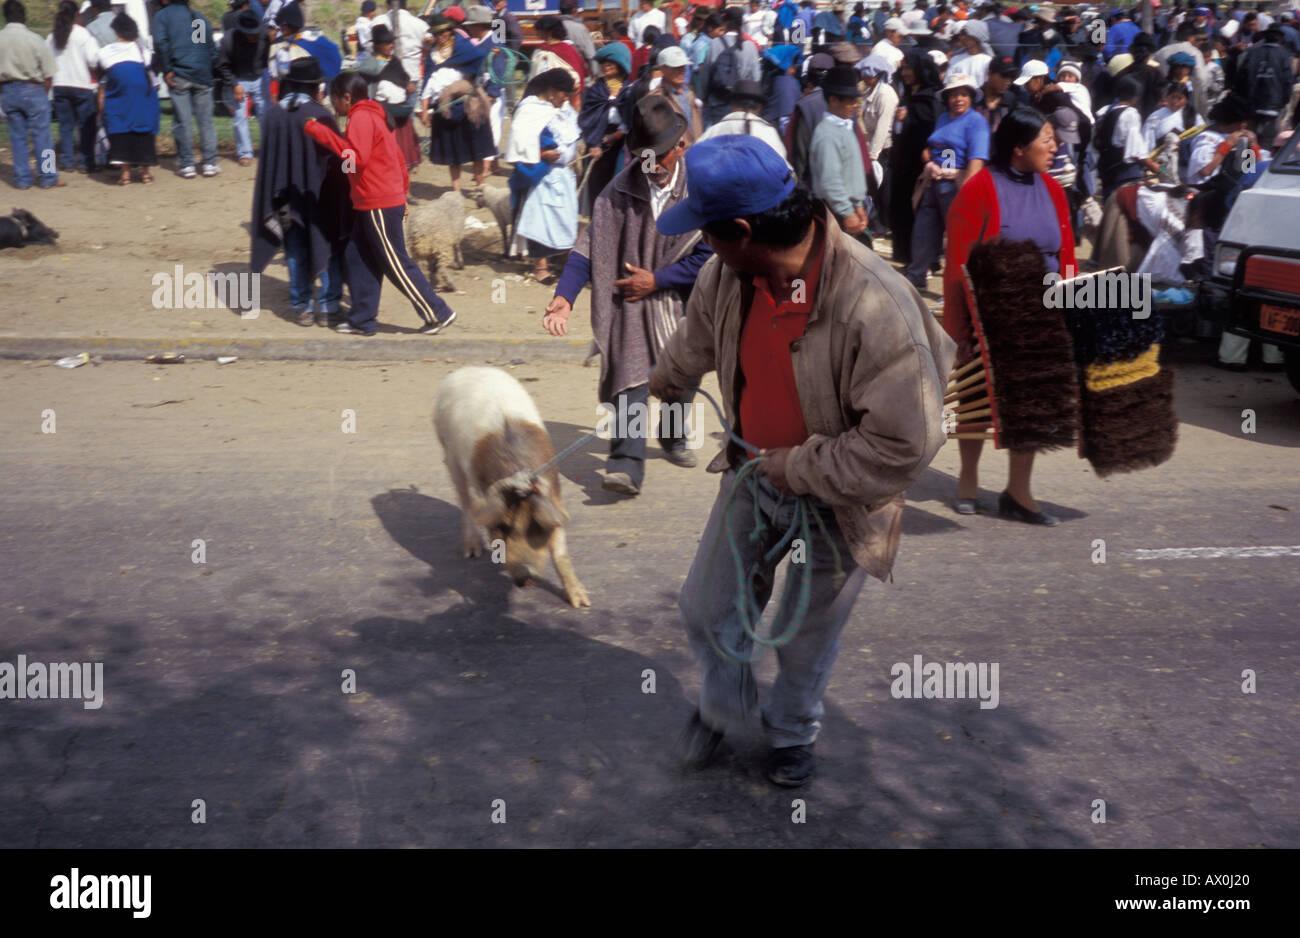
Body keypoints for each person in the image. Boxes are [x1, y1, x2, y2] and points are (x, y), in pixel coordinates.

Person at [649, 134, 954, 787]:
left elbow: (905, 443)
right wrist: (669, 377)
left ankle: (791, 731)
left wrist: (802, 467)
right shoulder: (726, 273)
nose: (700, 244)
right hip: (751, 470)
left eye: (705, 229)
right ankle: (725, 707)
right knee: (706, 606)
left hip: (845, 498)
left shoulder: (878, 302)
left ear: (737, 228)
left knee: (806, 635)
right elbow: (697, 336)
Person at [544, 95, 714, 496]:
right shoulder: (619, 190)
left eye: (660, 156)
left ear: (681, 146)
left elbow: (710, 255)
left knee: (680, 378)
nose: (652, 166)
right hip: (630, 302)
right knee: (630, 380)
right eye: (643, 157)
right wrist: (564, 297)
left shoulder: (701, 189)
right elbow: (589, 247)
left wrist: (658, 279)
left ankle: (672, 437)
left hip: (682, 299)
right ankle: (625, 463)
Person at [942, 107, 1076, 524]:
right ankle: (967, 477)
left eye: (1054, 139)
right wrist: (958, 331)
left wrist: (1070, 310)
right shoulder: (979, 189)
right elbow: (957, 265)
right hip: (991, 317)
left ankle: (1019, 492)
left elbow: (1066, 254)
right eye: (1047, 140)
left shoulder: (1053, 190)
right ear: (1019, 148)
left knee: (1032, 404)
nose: (1056, 147)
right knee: (975, 396)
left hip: (1042, 318)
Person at [303, 71, 457, 336]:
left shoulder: (360, 117)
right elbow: (397, 159)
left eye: (335, 99)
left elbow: (355, 159)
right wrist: (402, 195)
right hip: (378, 200)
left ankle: (438, 312)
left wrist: (321, 133)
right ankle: (362, 320)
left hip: (377, 202)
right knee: (358, 256)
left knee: (395, 262)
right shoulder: (375, 114)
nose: (333, 105)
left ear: (347, 98)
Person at [251, 56, 350, 326]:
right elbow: (336, 157)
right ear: (315, 86)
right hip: (319, 195)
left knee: (294, 250)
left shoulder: (272, 115)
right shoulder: (322, 115)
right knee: (326, 246)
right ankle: (330, 306)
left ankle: (302, 306)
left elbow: (270, 161)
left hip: (283, 198)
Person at [903, 71, 988, 291]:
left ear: (971, 97)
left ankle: (963, 284)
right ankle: (916, 275)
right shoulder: (942, 118)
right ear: (946, 98)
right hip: (933, 181)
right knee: (923, 230)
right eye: (953, 95)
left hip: (957, 185)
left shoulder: (976, 122)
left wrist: (966, 194)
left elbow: (976, 160)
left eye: (963, 94)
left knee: (959, 237)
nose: (958, 99)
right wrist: (929, 158)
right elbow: (933, 147)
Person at [504, 68, 580, 284]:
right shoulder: (531, 109)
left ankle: (564, 262)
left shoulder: (562, 110)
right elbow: (521, 144)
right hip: (538, 176)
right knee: (539, 219)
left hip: (561, 175)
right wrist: (543, 153)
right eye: (564, 94)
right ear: (553, 90)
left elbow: (570, 136)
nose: (565, 99)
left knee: (564, 219)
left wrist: (564, 153)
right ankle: (540, 267)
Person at [152, 0, 218, 178]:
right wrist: (204, 67)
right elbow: (207, 48)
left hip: (179, 73)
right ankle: (209, 163)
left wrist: (167, 69)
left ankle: (187, 164)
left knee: (183, 121)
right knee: (206, 121)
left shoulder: (162, 16)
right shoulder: (198, 18)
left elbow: (161, 44)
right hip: (202, 75)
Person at [0, 0, 61, 189]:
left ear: (5, 17)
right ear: (25, 17)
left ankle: (22, 178)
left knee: (17, 137)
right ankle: (48, 176)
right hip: (34, 89)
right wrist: (43, 92)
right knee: (43, 136)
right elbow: (48, 73)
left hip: (8, 89)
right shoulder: (35, 39)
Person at [890, 48, 942, 265]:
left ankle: (922, 260)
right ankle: (910, 257)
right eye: (903, 69)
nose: (906, 73)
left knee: (922, 213)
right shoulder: (911, 94)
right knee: (903, 210)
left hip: (921, 165)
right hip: (904, 163)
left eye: (909, 68)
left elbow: (931, 127)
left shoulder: (931, 97)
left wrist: (908, 117)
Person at [94, 12, 159, 186]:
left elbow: (102, 78)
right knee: (144, 132)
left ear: (117, 32)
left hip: (119, 99)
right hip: (144, 100)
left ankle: (125, 175)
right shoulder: (144, 52)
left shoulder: (106, 52)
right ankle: (145, 174)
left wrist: (101, 104)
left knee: (121, 132)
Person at [810, 65, 869, 239]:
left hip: (847, 207)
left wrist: (858, 206)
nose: (855, 105)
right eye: (850, 100)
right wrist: (847, 213)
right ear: (833, 100)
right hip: (835, 211)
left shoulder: (843, 128)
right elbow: (830, 180)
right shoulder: (827, 134)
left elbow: (851, 173)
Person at [46, 1, 99, 175]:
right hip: (81, 84)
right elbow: (93, 60)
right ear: (77, 14)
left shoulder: (52, 36)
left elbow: (47, 62)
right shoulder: (83, 34)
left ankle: (68, 162)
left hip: (60, 85)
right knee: (86, 126)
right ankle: (86, 162)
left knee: (65, 126)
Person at [579, 42, 632, 215]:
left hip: (622, 147)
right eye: (604, 62)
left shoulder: (629, 91)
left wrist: (617, 135)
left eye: (612, 62)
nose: (606, 66)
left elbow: (632, 119)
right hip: (599, 147)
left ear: (622, 64)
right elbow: (588, 120)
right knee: (598, 187)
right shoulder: (595, 91)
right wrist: (594, 144)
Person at [217, 10, 269, 167]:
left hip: (260, 77)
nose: (255, 36)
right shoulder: (229, 40)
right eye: (251, 34)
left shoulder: (265, 37)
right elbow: (222, 66)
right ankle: (245, 152)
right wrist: (235, 84)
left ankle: (269, 149)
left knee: (265, 113)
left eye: (257, 33)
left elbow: (268, 60)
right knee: (240, 116)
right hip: (239, 78)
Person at [697, 78, 788, 159]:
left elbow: (696, 155)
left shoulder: (714, 130)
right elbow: (783, 165)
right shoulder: (768, 132)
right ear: (759, 108)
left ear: (731, 104)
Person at [702, 5, 761, 125]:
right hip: (741, 105)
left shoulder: (715, 43)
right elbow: (756, 78)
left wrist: (703, 96)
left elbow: (705, 74)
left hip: (717, 102)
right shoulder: (750, 47)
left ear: (725, 22)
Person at [857, 53, 896, 232]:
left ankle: (885, 224)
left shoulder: (886, 94)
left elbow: (882, 127)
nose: (865, 78)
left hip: (882, 149)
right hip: (871, 147)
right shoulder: (870, 92)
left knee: (883, 188)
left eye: (868, 75)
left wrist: (873, 155)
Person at [1093, 75, 1147, 202]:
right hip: (1125, 175)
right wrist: (1160, 169)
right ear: (1136, 98)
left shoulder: (1104, 112)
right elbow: (1135, 152)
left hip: (1107, 173)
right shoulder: (1131, 115)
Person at [784, 51, 833, 186]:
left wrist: (798, 184)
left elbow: (799, 151)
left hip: (814, 184)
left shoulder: (805, 105)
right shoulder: (848, 104)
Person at [645, 45, 704, 146]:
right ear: (662, 69)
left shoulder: (690, 93)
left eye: (683, 67)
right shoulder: (656, 99)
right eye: (675, 68)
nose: (681, 72)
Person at [558, 0, 598, 76]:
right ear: (574, 10)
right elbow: (590, 54)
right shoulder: (580, 28)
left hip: (557, 76)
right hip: (579, 75)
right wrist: (594, 75)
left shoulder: (552, 27)